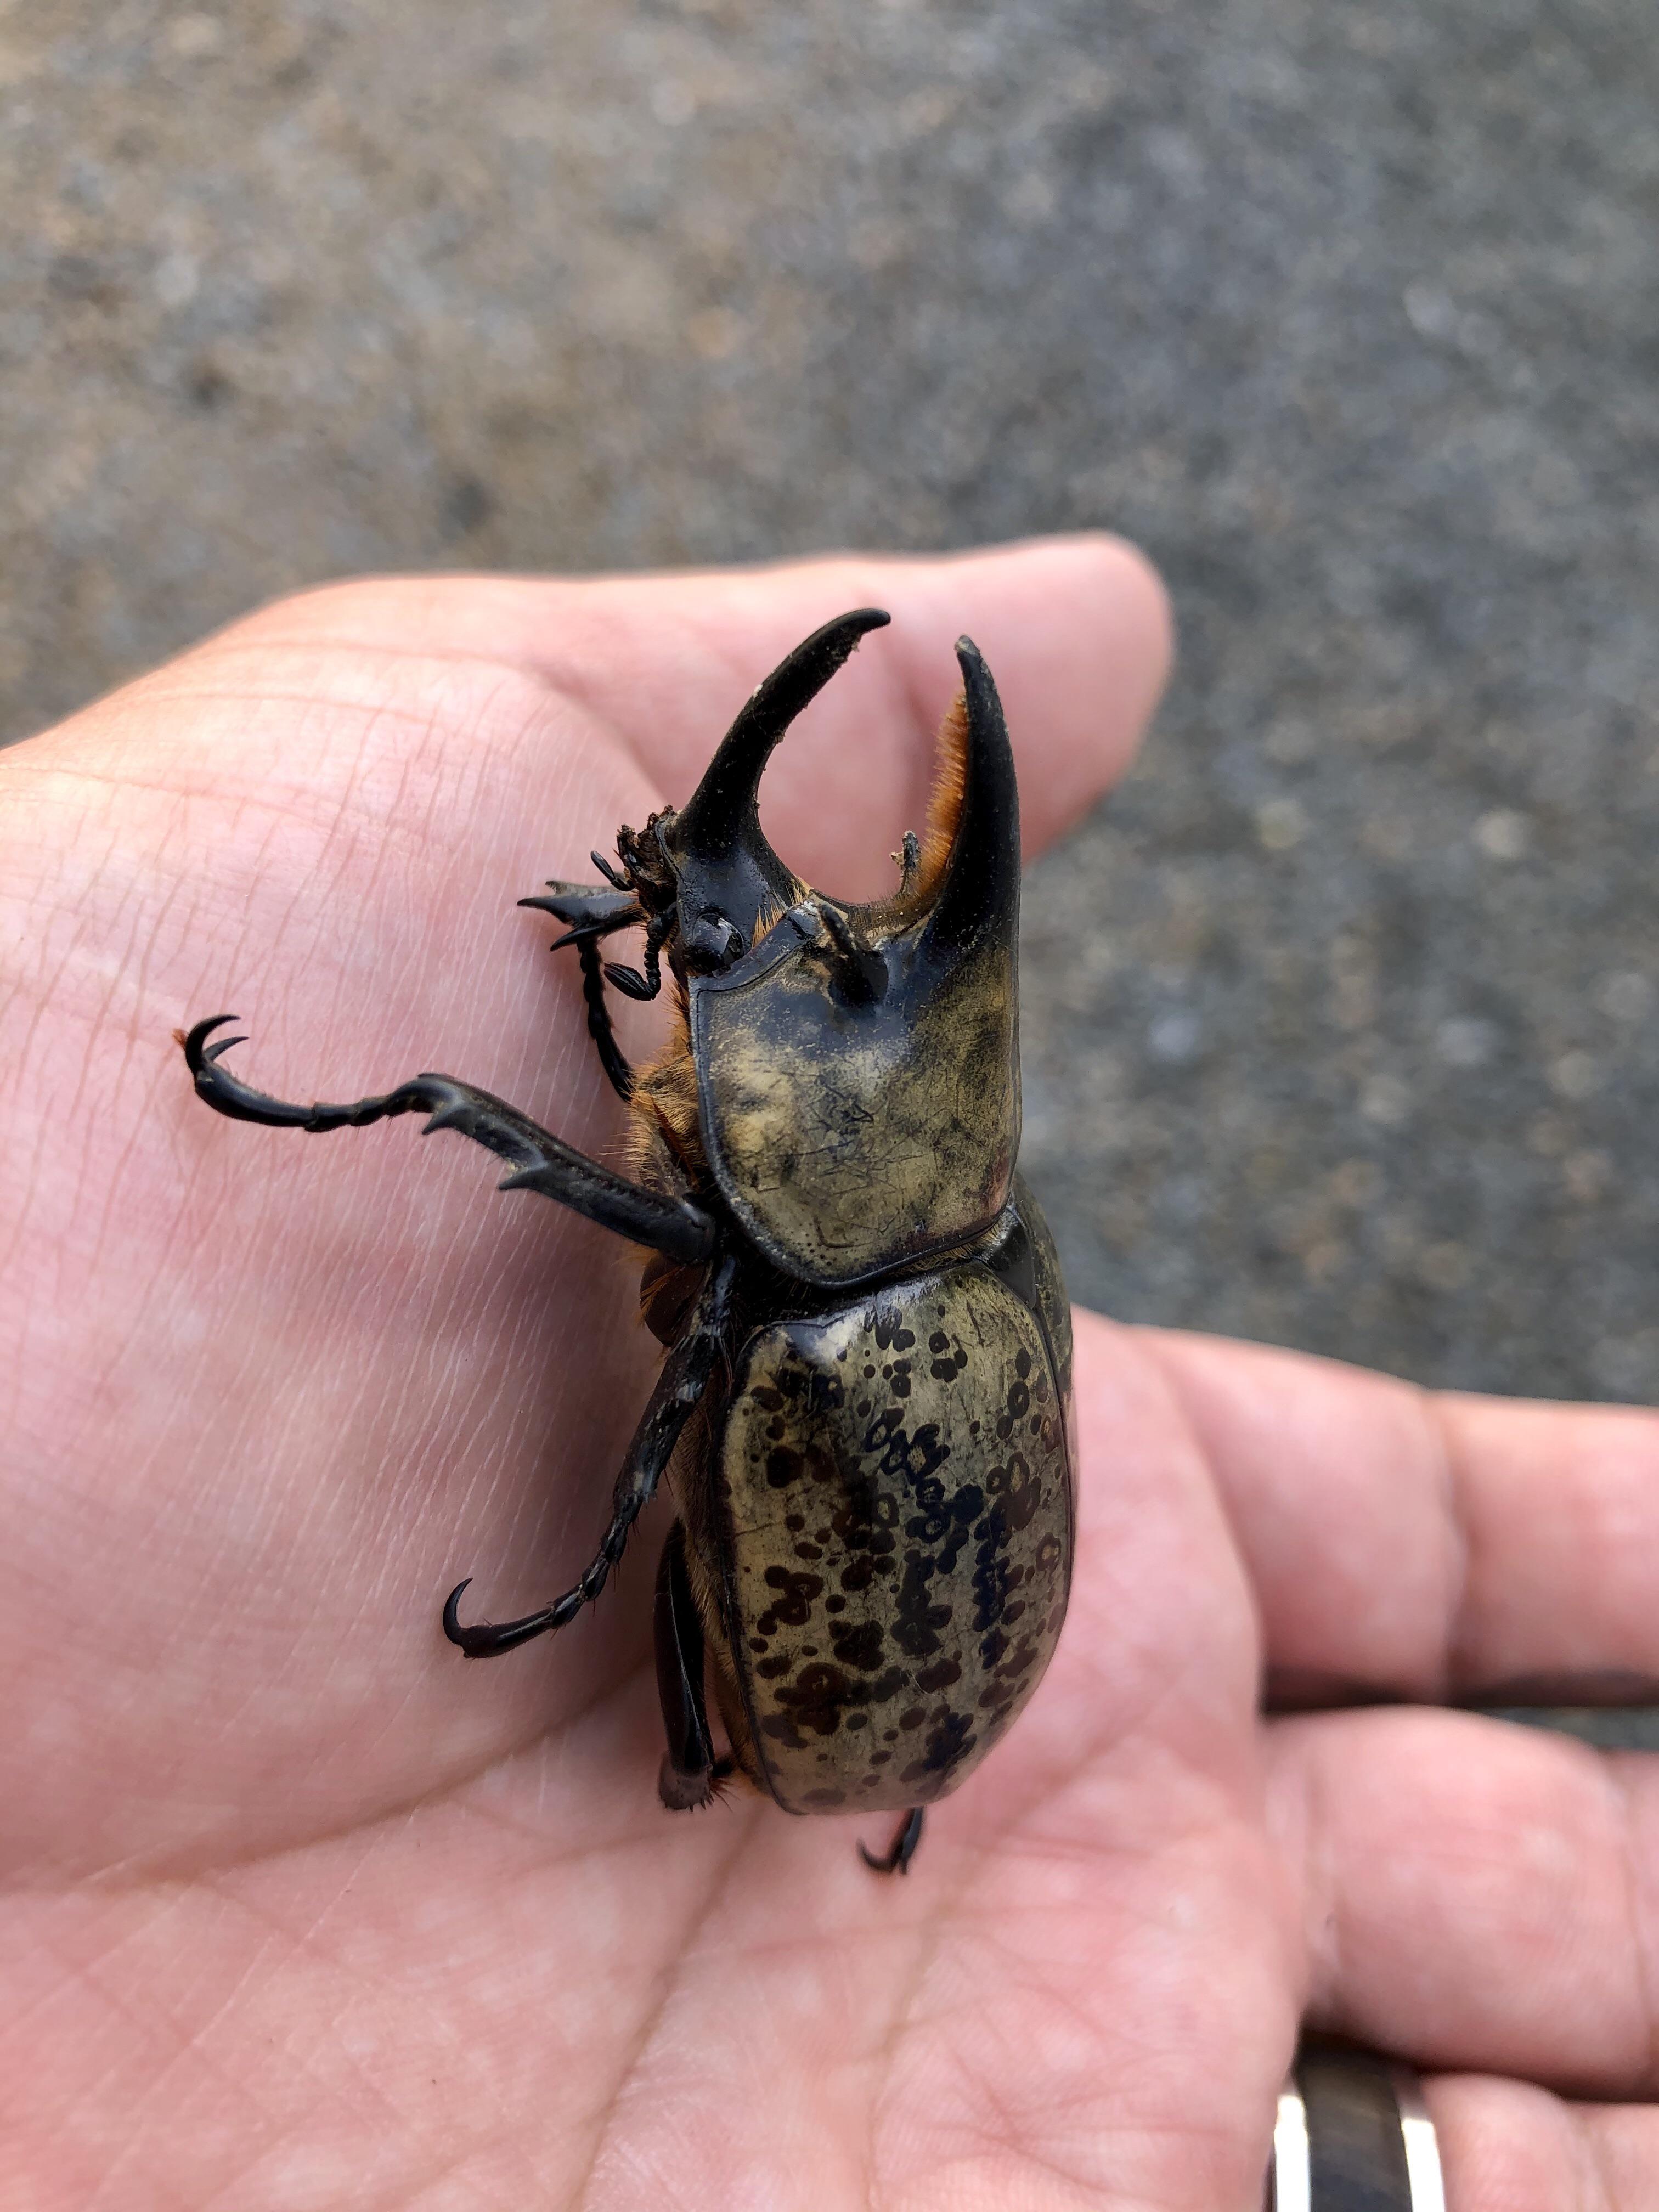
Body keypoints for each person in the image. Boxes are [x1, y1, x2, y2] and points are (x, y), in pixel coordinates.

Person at [0, 537, 1650, 2208]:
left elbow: (663, 1310)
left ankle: (685, 1746)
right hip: (931, 1696)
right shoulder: (980, 1231)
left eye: (714, 958)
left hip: (834, 1713)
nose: (709, 947)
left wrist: (426, 1099)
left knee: (693, 1514)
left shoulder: (805, 1289)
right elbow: (707, 1150)